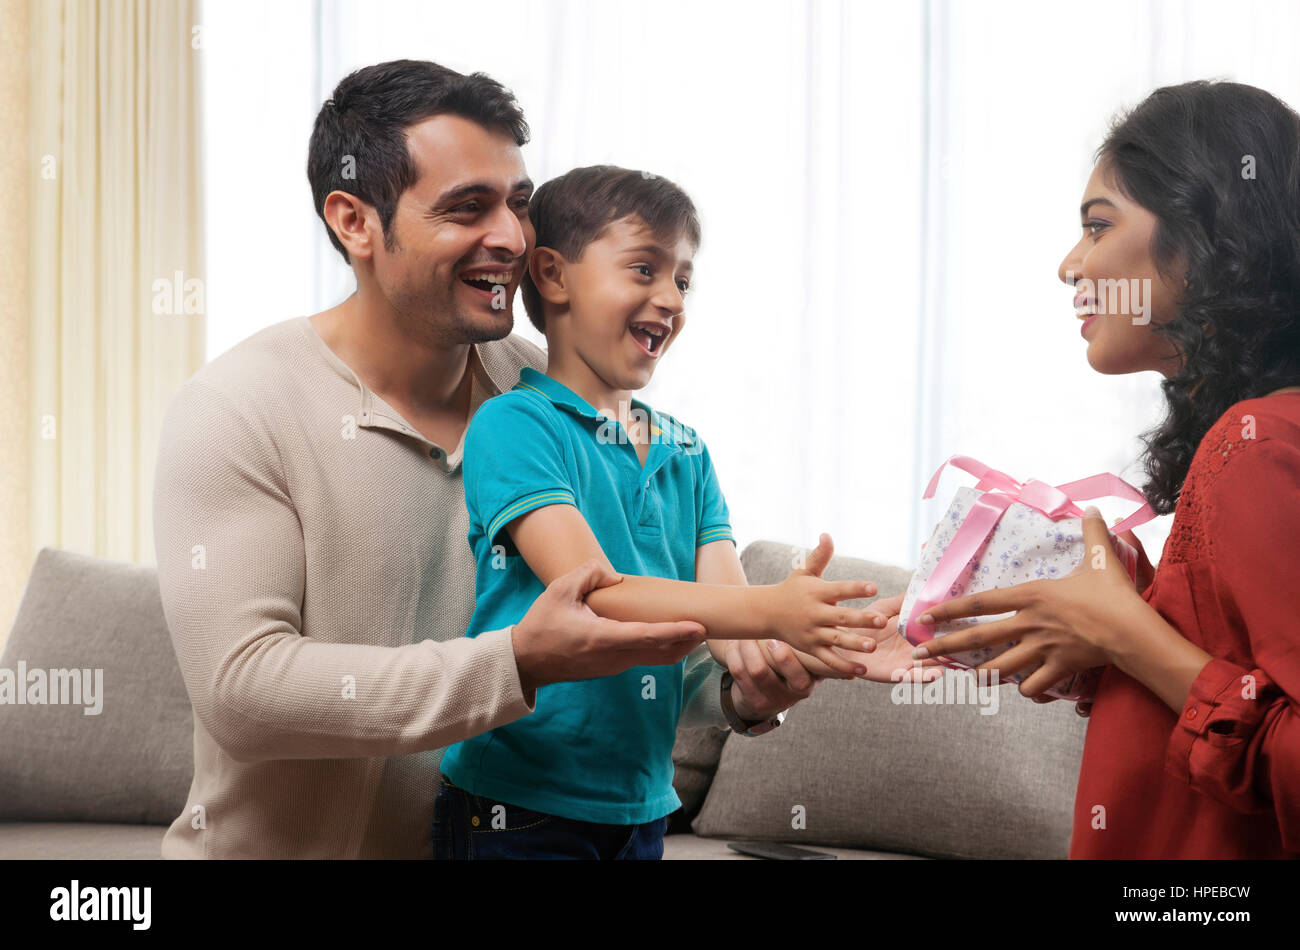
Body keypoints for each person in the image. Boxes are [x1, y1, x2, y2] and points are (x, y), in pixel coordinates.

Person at [152, 60, 828, 859]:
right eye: (467, 208)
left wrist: (737, 691)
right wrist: (515, 663)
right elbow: (245, 694)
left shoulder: (549, 397)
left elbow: (609, 643)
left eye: (518, 203)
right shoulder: (239, 408)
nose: (512, 237)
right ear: (354, 221)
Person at [434, 165, 937, 860]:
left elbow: (726, 619)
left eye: (683, 280)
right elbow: (597, 599)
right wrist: (773, 610)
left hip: (643, 807)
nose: (670, 298)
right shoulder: (514, 427)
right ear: (551, 275)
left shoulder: (686, 452)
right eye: (644, 269)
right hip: (516, 803)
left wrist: (824, 643)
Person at [910, 80, 1300, 858]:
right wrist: (1108, 634)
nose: (1069, 265)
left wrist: (1129, 634)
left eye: (1097, 227)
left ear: (1205, 235)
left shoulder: (1254, 447)